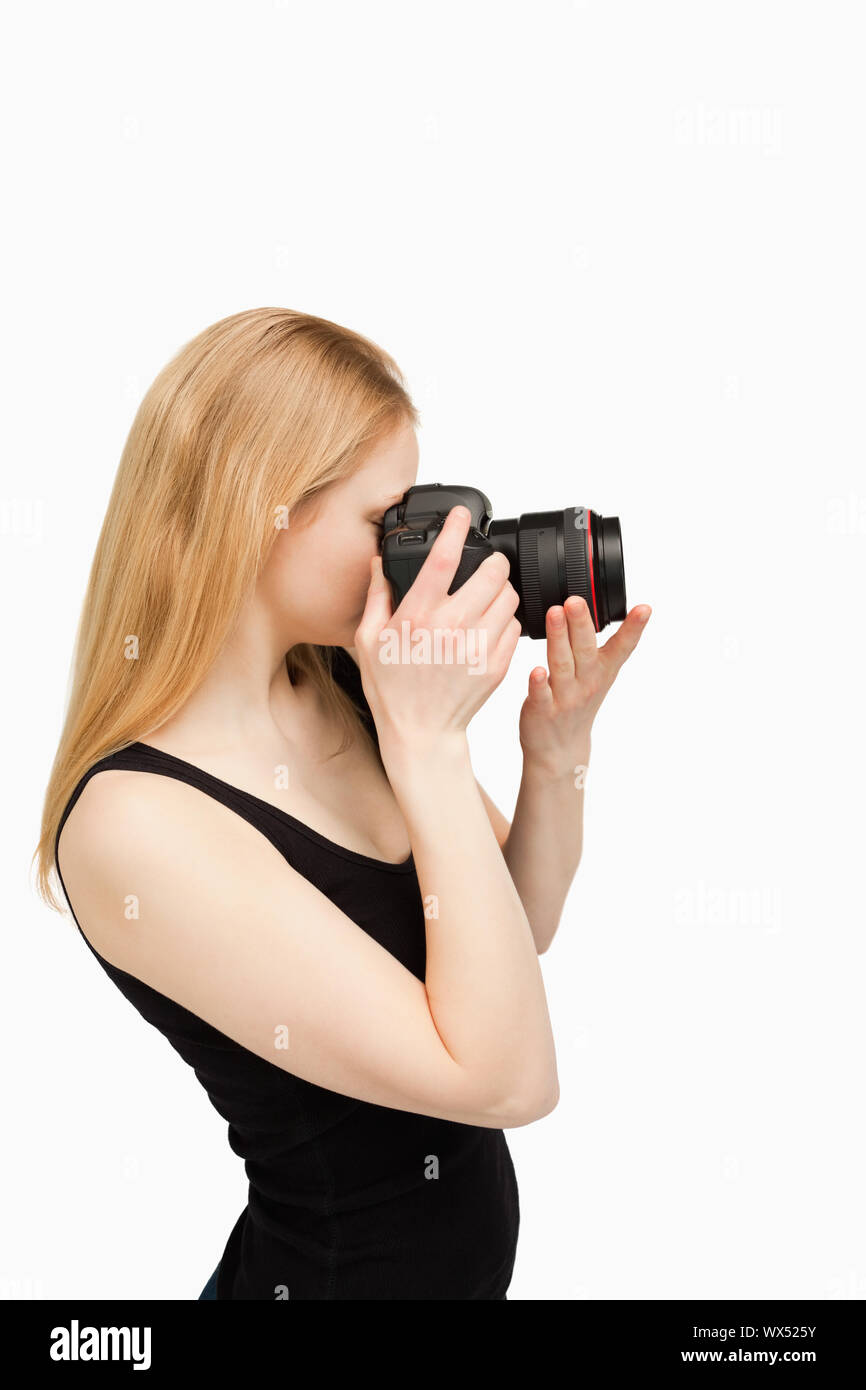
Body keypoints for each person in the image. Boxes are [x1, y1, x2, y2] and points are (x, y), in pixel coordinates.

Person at [33, 307, 650, 1299]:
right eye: (387, 520)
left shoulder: (340, 686)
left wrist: (554, 754)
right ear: (257, 510)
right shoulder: (135, 822)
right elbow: (509, 1078)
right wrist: (429, 742)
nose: (422, 553)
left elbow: (514, 928)